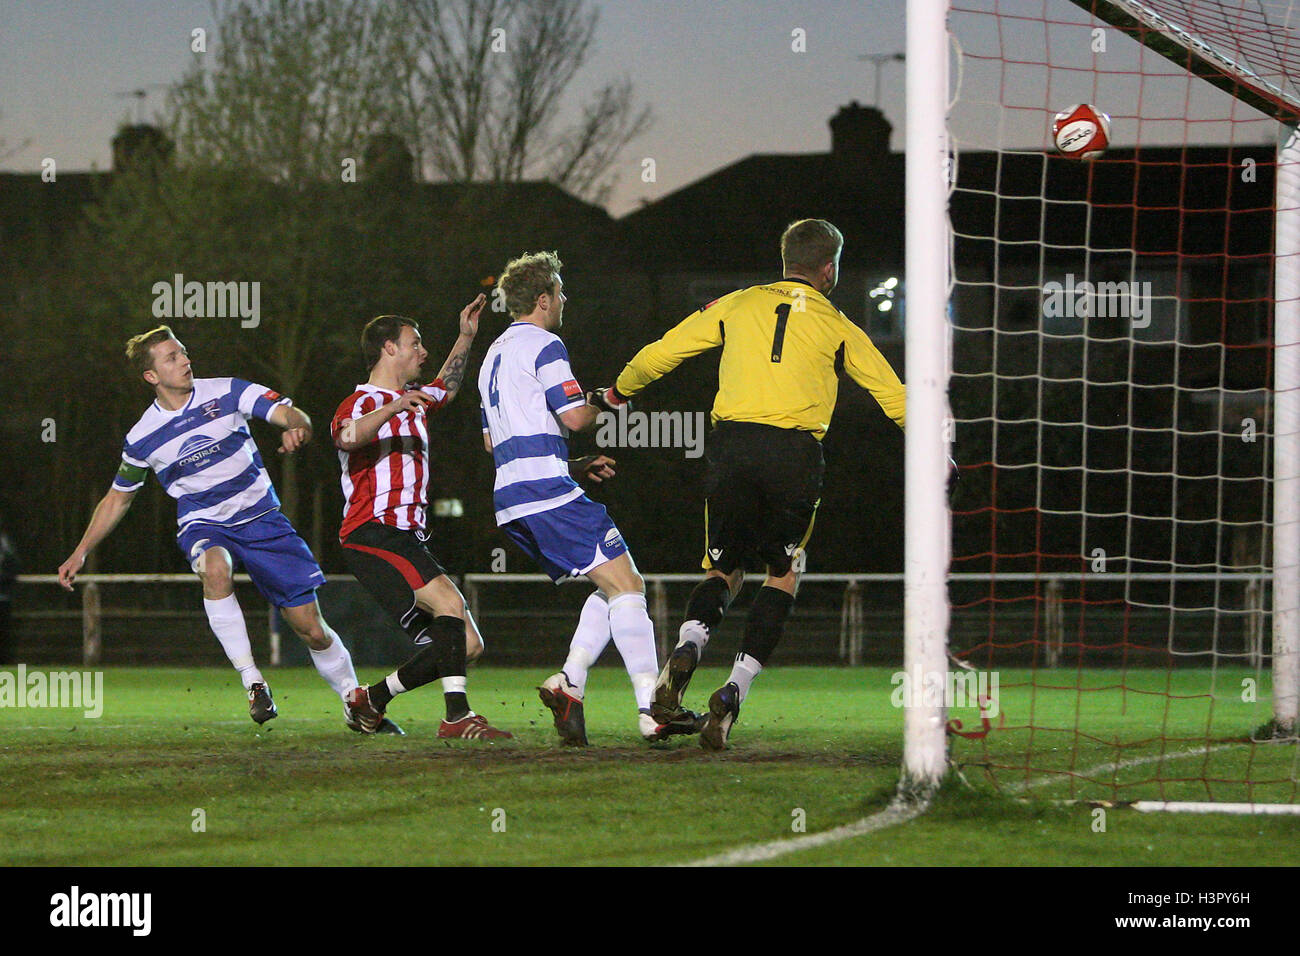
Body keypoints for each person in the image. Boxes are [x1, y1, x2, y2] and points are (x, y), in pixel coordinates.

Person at [593, 219, 906, 749]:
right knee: (782, 572)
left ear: (786, 260)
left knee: (723, 567)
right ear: (829, 268)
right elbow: (893, 394)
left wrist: (620, 393)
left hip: (732, 447)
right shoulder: (838, 324)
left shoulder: (738, 303)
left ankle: (690, 644)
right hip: (795, 454)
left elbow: (666, 349)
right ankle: (734, 690)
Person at [57, 326, 381, 731]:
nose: (185, 361)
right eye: (172, 358)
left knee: (312, 630)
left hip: (263, 520)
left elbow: (289, 412)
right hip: (204, 522)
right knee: (215, 568)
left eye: (184, 353)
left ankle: (354, 700)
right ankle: (253, 681)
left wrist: (297, 426)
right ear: (151, 377)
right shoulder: (142, 438)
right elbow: (118, 497)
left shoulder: (228, 391)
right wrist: (80, 551)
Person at [479, 251, 701, 745]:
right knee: (630, 587)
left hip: (512, 496)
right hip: (546, 491)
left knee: (609, 586)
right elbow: (576, 418)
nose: (564, 298)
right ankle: (651, 709)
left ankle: (568, 683)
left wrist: (572, 465)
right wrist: (610, 400)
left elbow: (494, 442)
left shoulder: (492, 356)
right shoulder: (545, 343)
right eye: (559, 290)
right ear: (542, 300)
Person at [332, 298, 510, 740]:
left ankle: (371, 698)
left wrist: (466, 336)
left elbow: (445, 387)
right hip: (373, 531)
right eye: (415, 343)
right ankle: (457, 717)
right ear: (389, 349)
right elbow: (346, 437)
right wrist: (393, 408)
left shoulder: (414, 399)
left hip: (405, 537)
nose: (423, 350)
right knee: (450, 604)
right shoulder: (362, 402)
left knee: (465, 644)